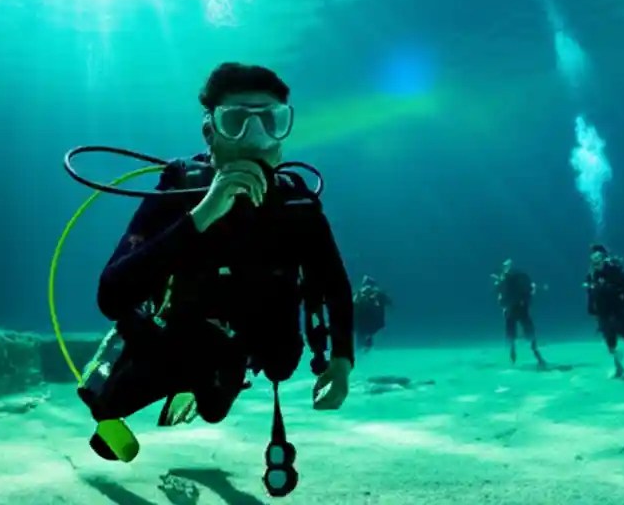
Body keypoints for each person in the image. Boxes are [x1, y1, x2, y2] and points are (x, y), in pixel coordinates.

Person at [78, 62, 356, 464]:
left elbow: (334, 284)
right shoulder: (180, 192)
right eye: (237, 121)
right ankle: (127, 352)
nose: (256, 139)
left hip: (236, 348)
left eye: (271, 121)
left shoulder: (297, 208)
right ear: (210, 131)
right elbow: (110, 295)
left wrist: (342, 359)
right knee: (105, 407)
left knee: (215, 409)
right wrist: (204, 213)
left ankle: (200, 385)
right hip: (170, 336)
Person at [583, 244, 624, 378]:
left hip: (619, 310)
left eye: (599, 258)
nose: (596, 262)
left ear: (604, 258)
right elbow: (591, 294)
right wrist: (592, 311)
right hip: (603, 314)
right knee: (610, 345)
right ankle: (619, 367)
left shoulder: (615, 272)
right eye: (593, 259)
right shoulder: (591, 275)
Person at [491, 259, 547, 367]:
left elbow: (500, 299)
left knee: (511, 334)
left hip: (510, 309)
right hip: (521, 308)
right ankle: (537, 355)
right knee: (529, 332)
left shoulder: (503, 280)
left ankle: (513, 356)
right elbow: (530, 291)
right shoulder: (517, 278)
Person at [352, 275, 392, 351]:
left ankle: (361, 351)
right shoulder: (378, 293)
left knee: (361, 333)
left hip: (359, 322)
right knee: (367, 333)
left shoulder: (357, 293)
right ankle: (365, 348)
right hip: (372, 322)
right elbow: (389, 303)